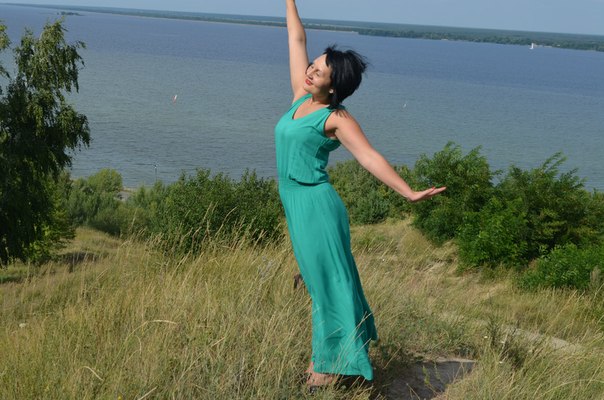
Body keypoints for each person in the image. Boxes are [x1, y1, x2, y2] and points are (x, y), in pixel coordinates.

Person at [275, 0, 447, 392]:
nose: (310, 70)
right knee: (323, 283)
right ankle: (338, 359)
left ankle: (324, 369)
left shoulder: (335, 118)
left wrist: (408, 192)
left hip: (316, 206)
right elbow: (296, 37)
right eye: (313, 65)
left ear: (333, 86)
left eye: (319, 71)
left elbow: (368, 156)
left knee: (327, 285)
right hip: (296, 204)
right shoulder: (301, 98)